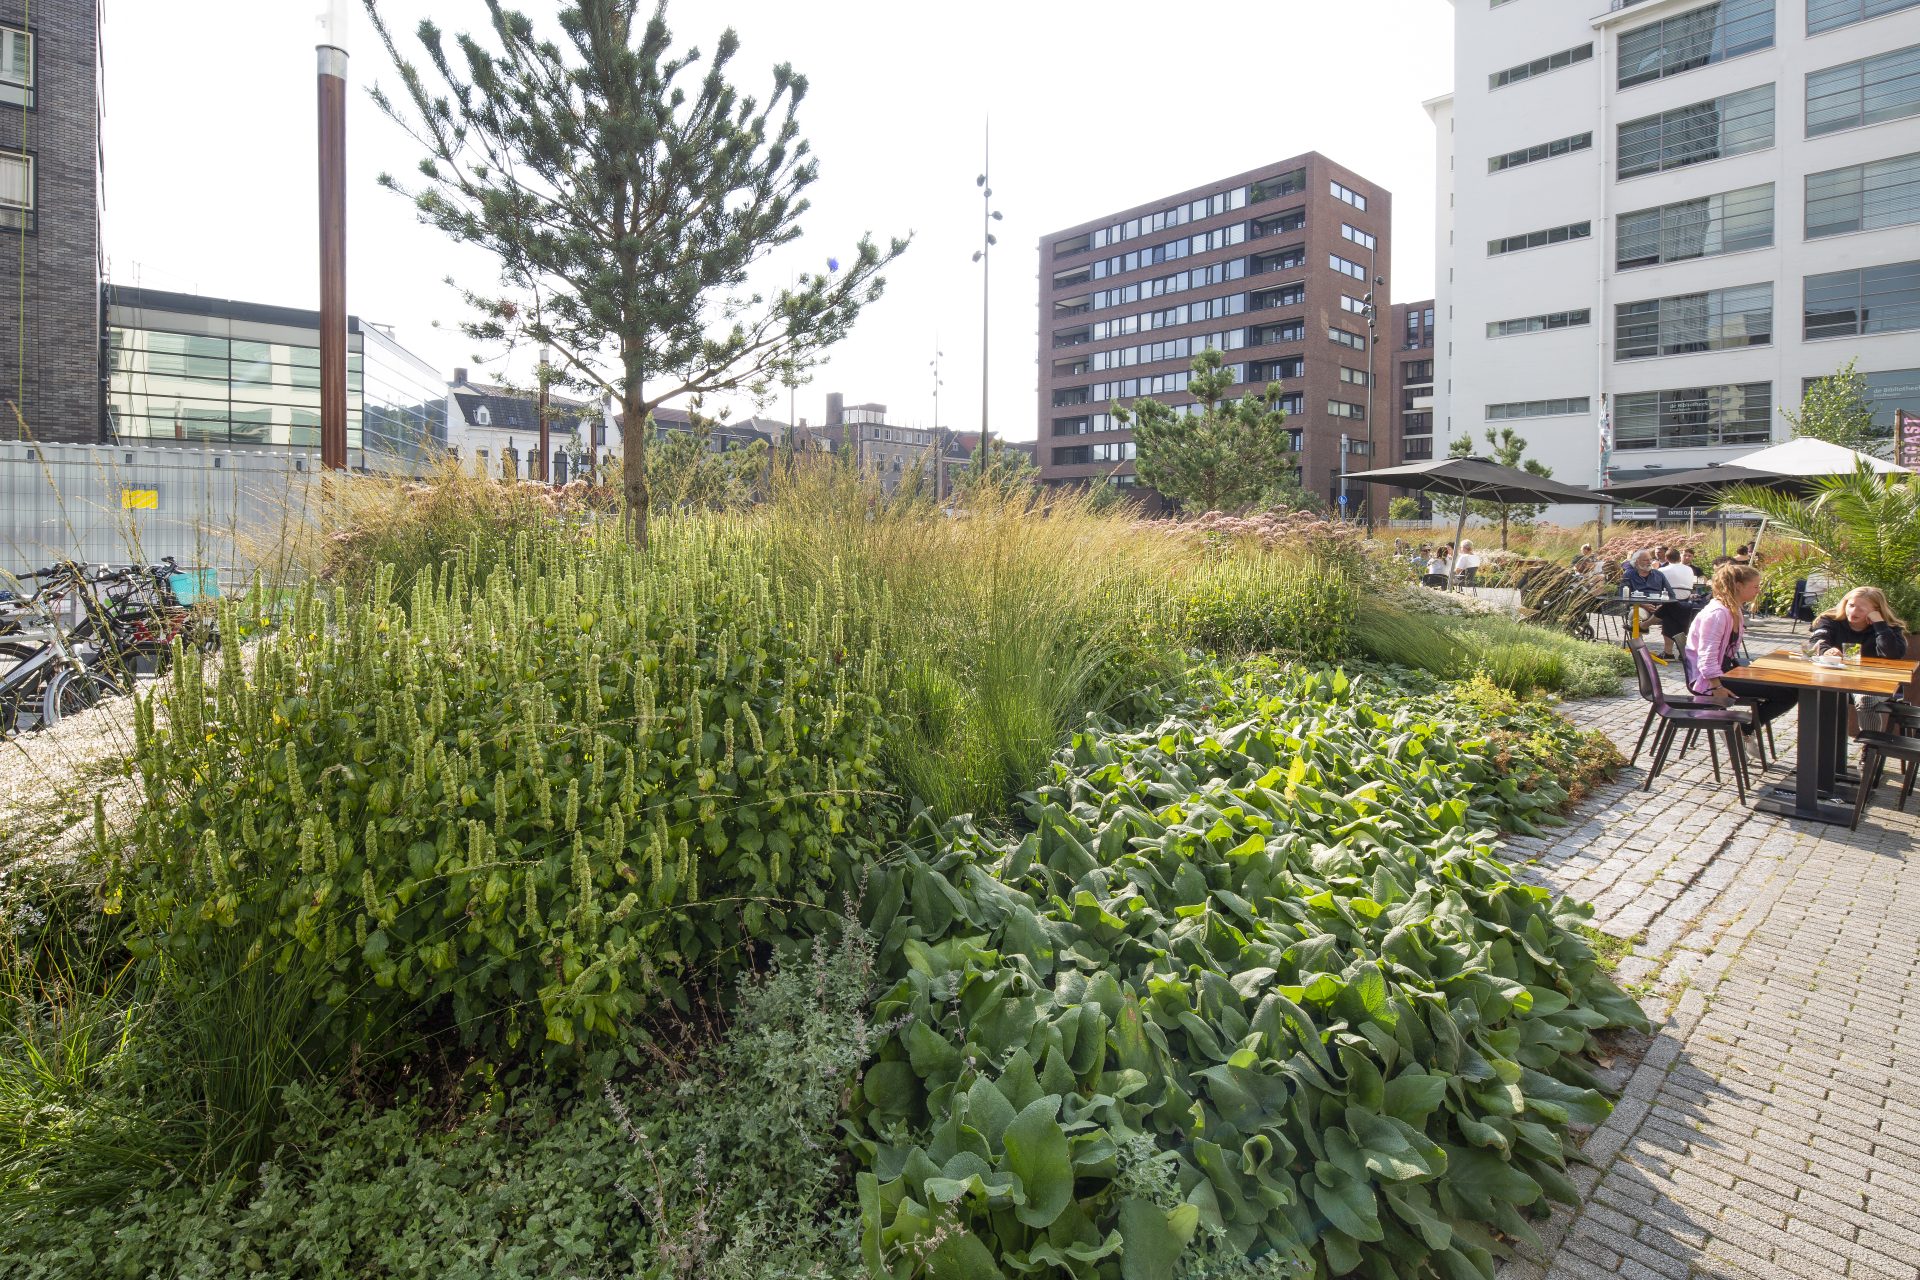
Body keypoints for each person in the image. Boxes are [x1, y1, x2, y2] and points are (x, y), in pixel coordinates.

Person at [1686, 563, 1796, 736]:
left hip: (1726, 672)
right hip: (1710, 680)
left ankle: (1744, 728)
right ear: (1738, 585)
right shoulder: (1717, 613)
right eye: (1755, 586)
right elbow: (1707, 656)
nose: (1758, 591)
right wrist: (1717, 687)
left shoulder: (1733, 610)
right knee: (1788, 693)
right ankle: (1743, 729)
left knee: (1786, 685)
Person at [1809, 587, 1910, 659]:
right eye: (1851, 606)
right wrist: (1826, 651)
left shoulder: (1889, 628)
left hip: (1873, 678)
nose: (1853, 612)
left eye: (1861, 609)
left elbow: (1894, 654)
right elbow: (1817, 640)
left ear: (1876, 610)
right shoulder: (1830, 620)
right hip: (1834, 675)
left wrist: (1880, 625)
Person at [1654, 548, 1699, 658]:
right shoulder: (1689, 570)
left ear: (1666, 558)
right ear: (1679, 558)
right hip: (1686, 601)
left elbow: (1656, 587)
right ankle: (1680, 652)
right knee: (1670, 615)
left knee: (1668, 615)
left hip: (1670, 601)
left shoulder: (1661, 571)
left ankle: (1668, 652)